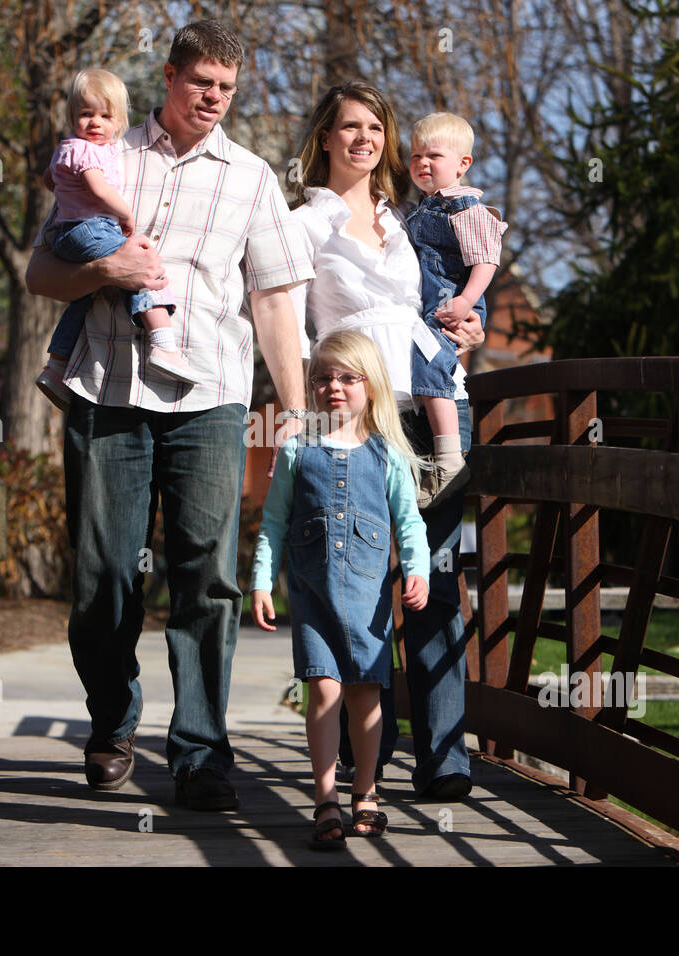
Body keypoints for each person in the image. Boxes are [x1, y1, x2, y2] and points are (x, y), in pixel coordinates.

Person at [24, 20, 313, 811]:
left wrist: (295, 412)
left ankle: (200, 752)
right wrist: (105, 269)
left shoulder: (253, 177)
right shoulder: (107, 156)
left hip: (211, 398)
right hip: (107, 391)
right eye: (200, 84)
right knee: (103, 578)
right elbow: (39, 274)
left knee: (208, 576)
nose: (213, 99)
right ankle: (112, 722)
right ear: (171, 76)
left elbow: (277, 303)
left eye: (226, 88)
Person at [284, 82, 484, 799]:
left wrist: (472, 326)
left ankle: (446, 757)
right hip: (357, 419)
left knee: (434, 579)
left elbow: (445, 300)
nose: (364, 139)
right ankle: (375, 746)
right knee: (360, 579)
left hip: (436, 406)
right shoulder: (303, 224)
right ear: (326, 138)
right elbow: (290, 328)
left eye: (375, 127)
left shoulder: (408, 219)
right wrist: (301, 414)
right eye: (349, 127)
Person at [251, 330, 429, 848]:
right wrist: (261, 581)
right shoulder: (295, 449)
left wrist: (416, 569)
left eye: (348, 377)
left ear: (371, 386)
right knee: (323, 692)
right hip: (311, 598)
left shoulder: (389, 454)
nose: (334, 387)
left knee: (366, 695)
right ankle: (325, 797)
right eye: (323, 377)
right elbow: (274, 522)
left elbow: (409, 522)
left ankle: (367, 791)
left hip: (369, 601)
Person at [35, 68, 202, 412]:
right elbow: (98, 188)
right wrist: (125, 214)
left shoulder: (68, 149)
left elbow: (50, 180)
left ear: (119, 120)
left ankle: (55, 367)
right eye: (85, 114)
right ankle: (162, 343)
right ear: (72, 117)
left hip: (70, 230)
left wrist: (68, 196)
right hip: (90, 227)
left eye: (104, 115)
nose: (95, 122)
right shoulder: (86, 151)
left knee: (85, 297)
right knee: (143, 266)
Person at [405, 112, 507, 506]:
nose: (422, 164)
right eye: (415, 156)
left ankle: (449, 459)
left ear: (463, 164)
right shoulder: (424, 206)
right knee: (427, 364)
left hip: (451, 301)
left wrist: (466, 301)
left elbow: (485, 259)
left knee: (430, 364)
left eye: (433, 155)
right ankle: (442, 458)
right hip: (438, 303)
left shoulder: (464, 207)